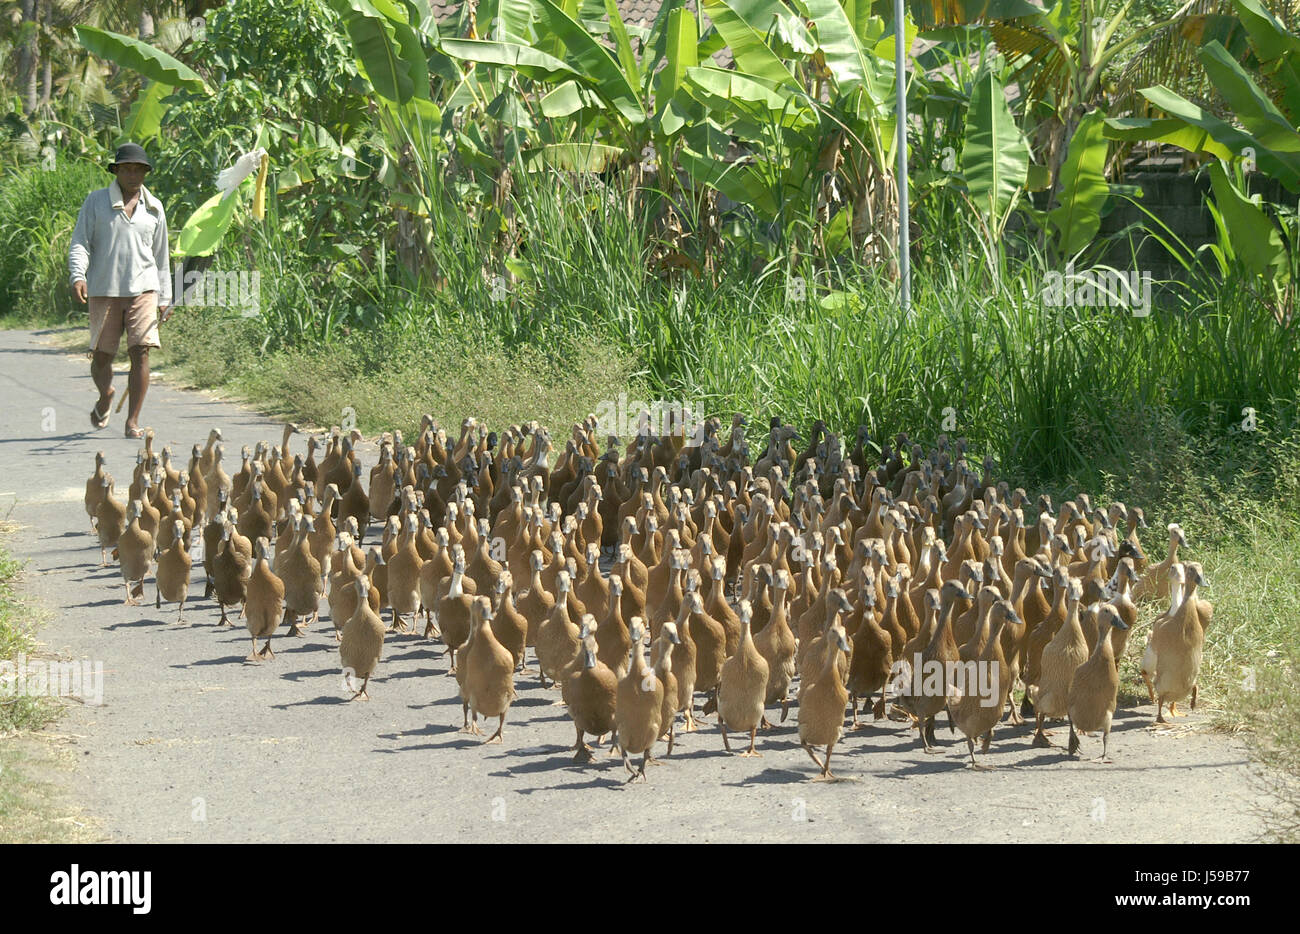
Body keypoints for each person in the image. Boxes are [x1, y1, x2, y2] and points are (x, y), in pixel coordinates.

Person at [69, 141, 173, 438]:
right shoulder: (96, 202)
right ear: (116, 171)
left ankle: (132, 421)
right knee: (102, 356)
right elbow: (80, 242)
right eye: (126, 169)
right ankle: (105, 394)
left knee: (140, 352)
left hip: (144, 289)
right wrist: (78, 275)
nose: (132, 175)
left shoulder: (154, 208)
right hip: (105, 288)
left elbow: (161, 254)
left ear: (145, 173)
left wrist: (165, 297)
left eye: (138, 170)